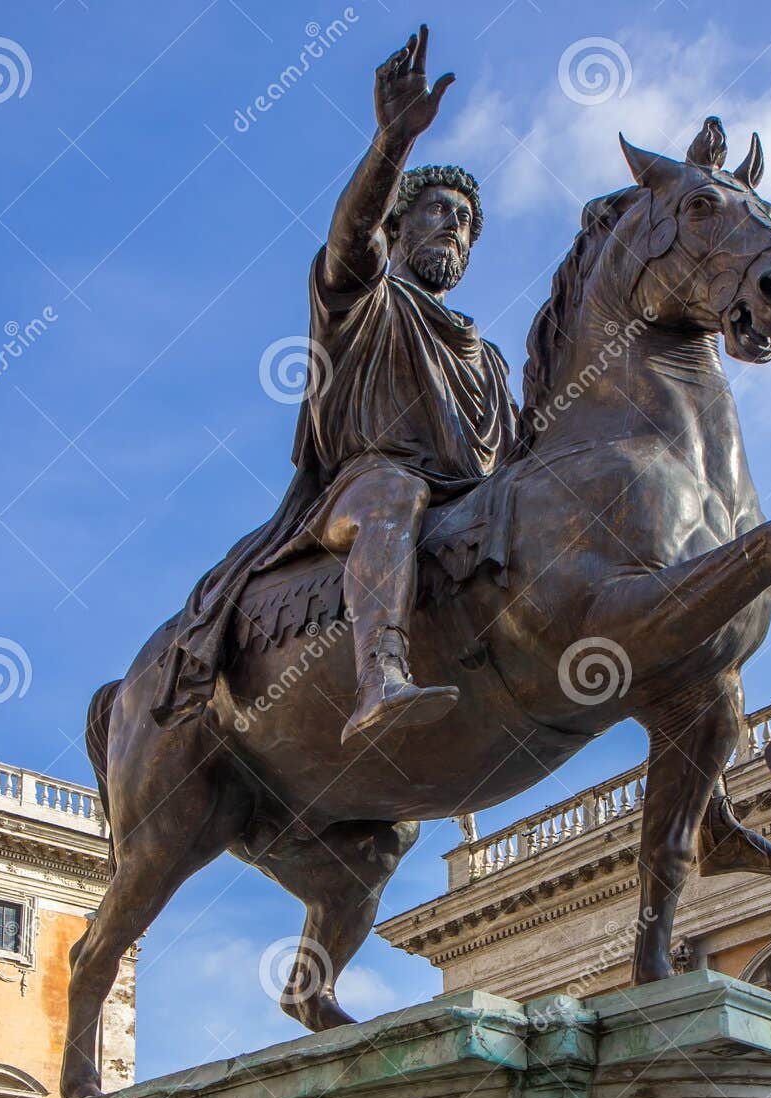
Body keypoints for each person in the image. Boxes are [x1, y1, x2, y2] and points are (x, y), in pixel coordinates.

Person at [152, 25, 516, 745]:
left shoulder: (487, 357)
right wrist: (394, 142)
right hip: (360, 486)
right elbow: (350, 238)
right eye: (439, 210)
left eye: (467, 222)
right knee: (394, 494)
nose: (455, 227)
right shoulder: (361, 296)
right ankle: (379, 671)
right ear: (400, 224)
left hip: (469, 497)